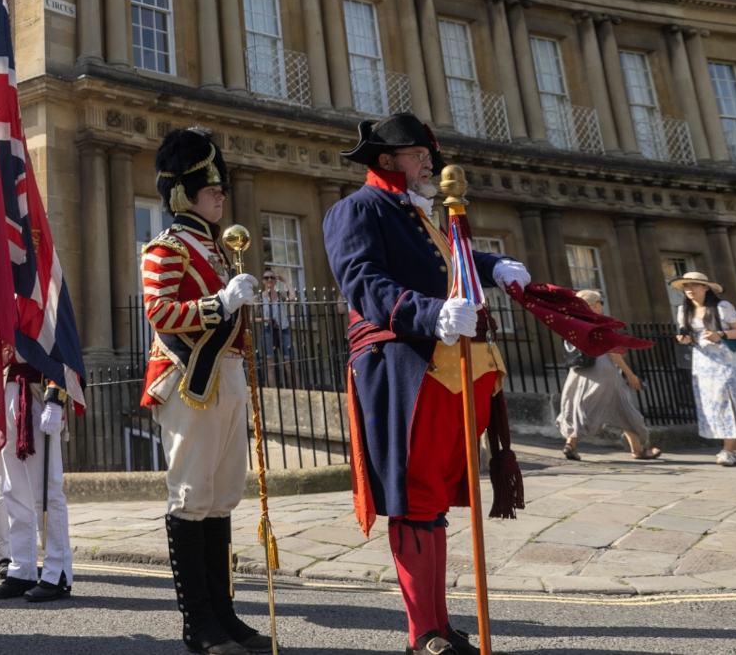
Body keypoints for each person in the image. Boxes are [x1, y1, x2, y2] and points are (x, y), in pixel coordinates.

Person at [323, 114, 530, 655]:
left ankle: (439, 625)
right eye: (420, 156)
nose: (430, 166)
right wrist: (429, 313)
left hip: (451, 369)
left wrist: (496, 265)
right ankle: (424, 634)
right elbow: (363, 282)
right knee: (414, 497)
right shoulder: (357, 209)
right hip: (403, 364)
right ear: (388, 161)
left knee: (432, 498)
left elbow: (449, 262)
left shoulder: (422, 216)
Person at [139, 128, 272, 655]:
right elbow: (161, 313)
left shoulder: (217, 249)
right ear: (184, 193)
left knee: (220, 500)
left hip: (228, 377)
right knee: (191, 498)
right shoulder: (165, 248)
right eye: (211, 187)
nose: (221, 194)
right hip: (189, 383)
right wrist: (221, 304)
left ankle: (223, 613)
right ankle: (198, 624)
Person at [0, 344, 73, 602]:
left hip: (36, 393)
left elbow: (64, 344)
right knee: (14, 491)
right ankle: (22, 568)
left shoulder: (49, 300)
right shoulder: (1, 303)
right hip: (6, 391)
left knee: (46, 491)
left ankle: (57, 572)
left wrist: (57, 398)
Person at [670, 272, 736, 465]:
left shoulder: (722, 307)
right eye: (686, 286)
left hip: (726, 360)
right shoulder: (682, 311)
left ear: (706, 287)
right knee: (714, 403)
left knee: (727, 401)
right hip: (702, 362)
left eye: (694, 285)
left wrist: (720, 334)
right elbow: (688, 335)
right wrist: (685, 339)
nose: (689, 289)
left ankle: (727, 449)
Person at [556, 291, 657, 461]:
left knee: (580, 407)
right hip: (602, 369)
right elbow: (613, 353)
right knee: (624, 407)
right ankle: (638, 450)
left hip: (579, 370)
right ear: (593, 305)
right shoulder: (599, 323)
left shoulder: (573, 323)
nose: (602, 305)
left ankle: (571, 444)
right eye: (600, 302)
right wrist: (630, 374)